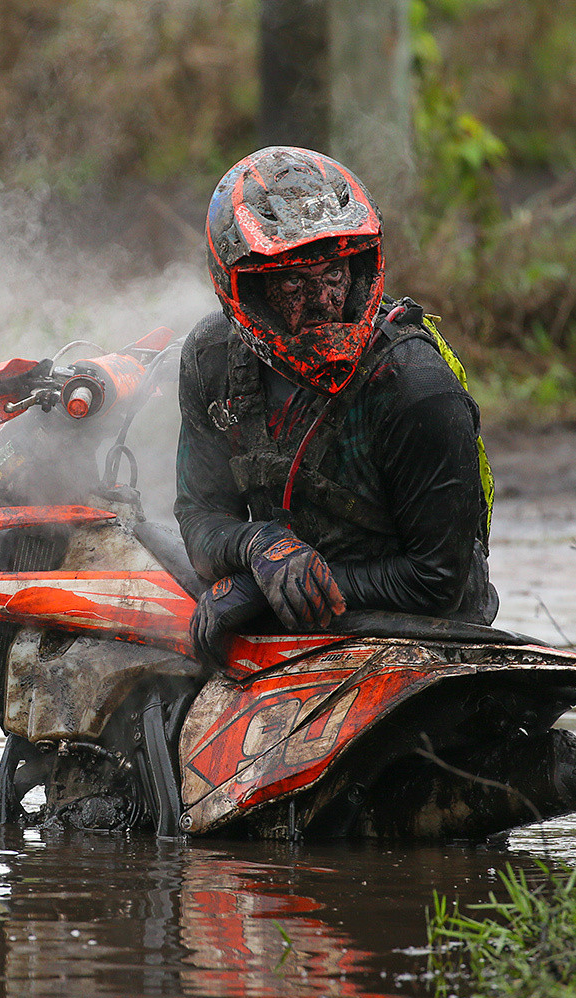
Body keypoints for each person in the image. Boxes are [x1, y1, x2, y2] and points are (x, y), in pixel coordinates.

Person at [175, 146, 498, 663]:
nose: (325, 301)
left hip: (425, 638)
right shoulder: (211, 360)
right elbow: (198, 514)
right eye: (294, 282)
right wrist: (260, 549)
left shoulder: (417, 390)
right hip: (286, 634)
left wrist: (266, 592)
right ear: (248, 286)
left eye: (333, 275)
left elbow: (439, 580)